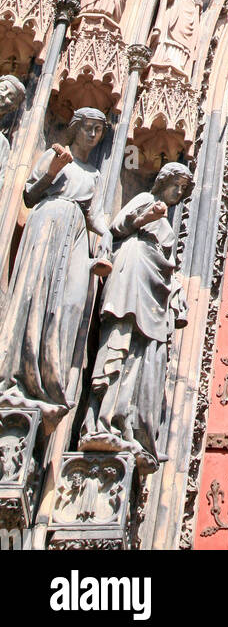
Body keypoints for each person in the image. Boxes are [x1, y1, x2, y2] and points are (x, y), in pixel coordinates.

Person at [80, 162, 195, 470]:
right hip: (130, 277)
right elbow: (117, 227)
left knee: (142, 357)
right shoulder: (144, 199)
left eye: (183, 190)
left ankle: (126, 423)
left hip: (152, 294)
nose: (178, 192)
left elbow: (167, 266)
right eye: (177, 185)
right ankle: (100, 422)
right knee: (119, 344)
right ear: (163, 181)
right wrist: (148, 216)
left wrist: (177, 291)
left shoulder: (169, 228)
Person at [0, 109, 110, 427]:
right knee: (35, 294)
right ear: (75, 129)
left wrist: (108, 237)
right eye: (88, 128)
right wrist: (53, 171)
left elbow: (97, 218)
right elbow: (30, 195)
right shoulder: (54, 154)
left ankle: (51, 378)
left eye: (98, 130)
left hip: (75, 236)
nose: (92, 135)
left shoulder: (93, 175)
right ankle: (19, 375)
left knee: (72, 303)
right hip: (47, 225)